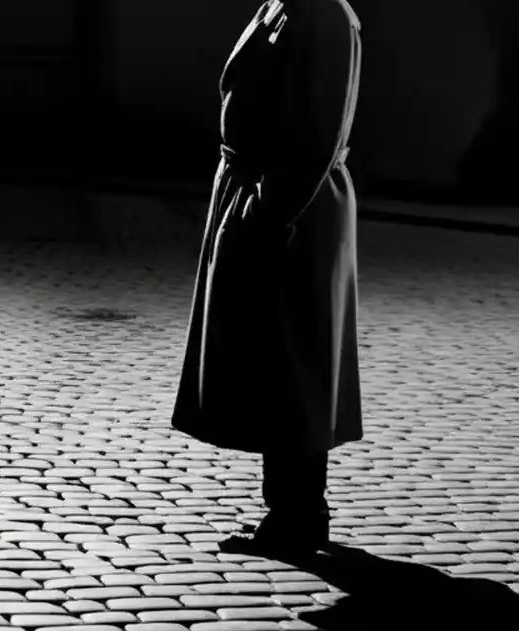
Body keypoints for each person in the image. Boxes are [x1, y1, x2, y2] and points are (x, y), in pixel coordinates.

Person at [172, 0, 363, 559]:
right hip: (258, 192)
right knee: (271, 358)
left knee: (292, 362)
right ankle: (290, 510)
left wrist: (270, 212)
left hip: (289, 208)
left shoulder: (326, 16)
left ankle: (299, 514)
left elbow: (317, 129)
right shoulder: (287, 6)